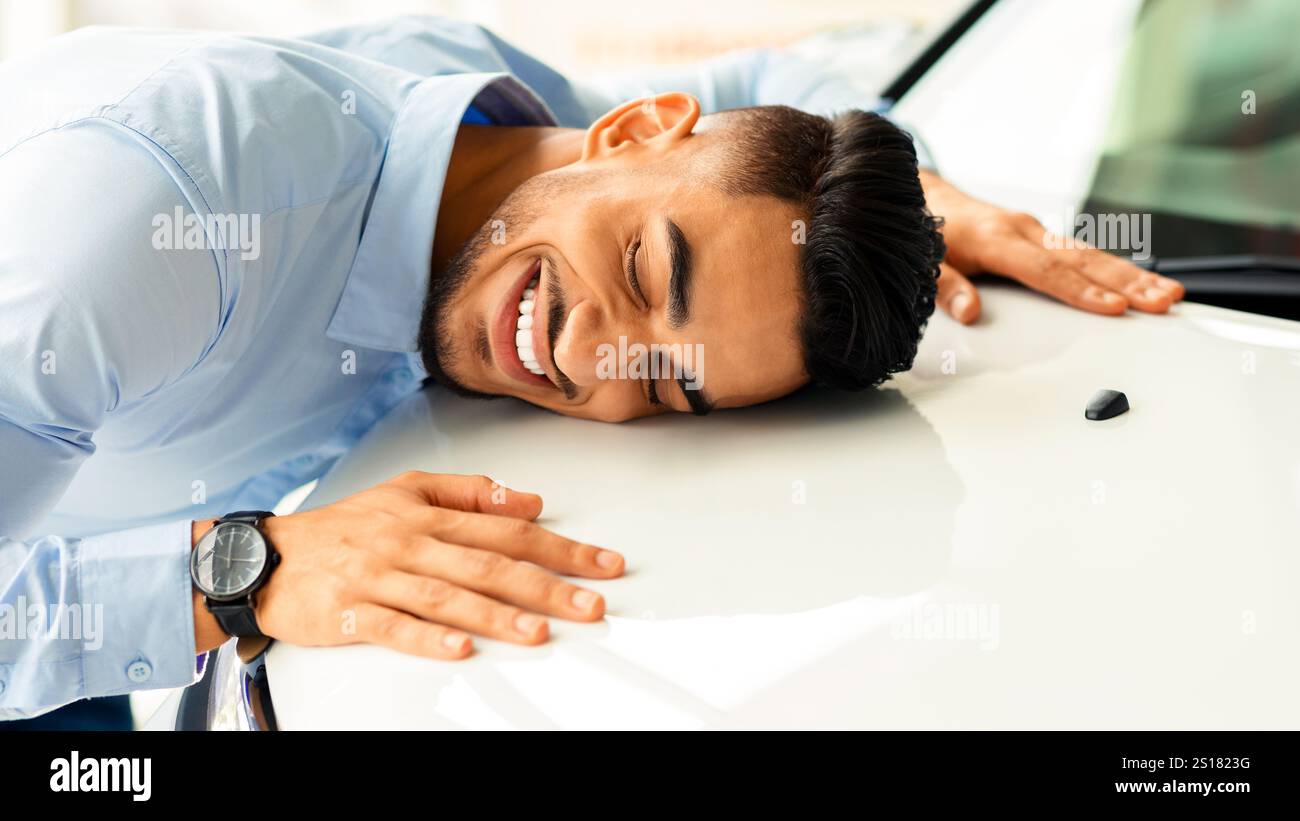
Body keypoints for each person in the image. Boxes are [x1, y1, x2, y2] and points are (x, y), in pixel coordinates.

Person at [0, 16, 1184, 720]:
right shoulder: (154, 221)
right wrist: (232, 574)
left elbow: (771, 88)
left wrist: (916, 189)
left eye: (665, 382)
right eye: (646, 268)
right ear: (627, 128)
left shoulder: (531, 139)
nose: (586, 351)